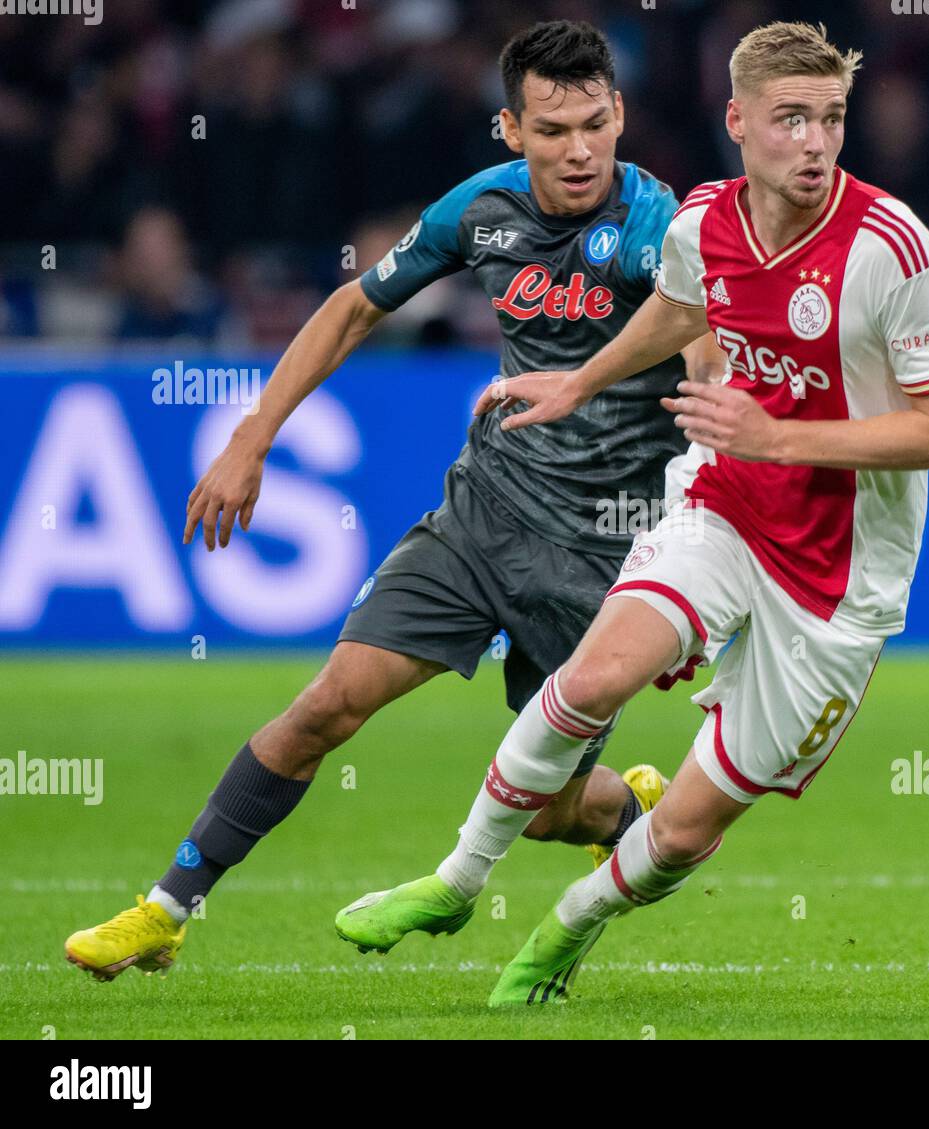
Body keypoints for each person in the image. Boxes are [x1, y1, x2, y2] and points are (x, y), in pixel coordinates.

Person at [64, 19, 721, 982]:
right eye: (550, 130)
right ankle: (166, 907)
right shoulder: (481, 209)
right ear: (510, 130)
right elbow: (353, 306)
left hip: (602, 563)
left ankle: (624, 809)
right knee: (326, 705)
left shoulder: (660, 228)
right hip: (483, 519)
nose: (577, 150)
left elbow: (704, 351)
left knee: (547, 811)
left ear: (619, 113)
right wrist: (252, 437)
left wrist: (697, 546)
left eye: (593, 124)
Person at [353, 19, 929, 1006]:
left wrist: (782, 438)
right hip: (726, 504)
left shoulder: (894, 252)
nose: (813, 143)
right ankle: (458, 878)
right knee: (592, 673)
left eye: (829, 120)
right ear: (738, 121)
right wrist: (575, 378)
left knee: (685, 828)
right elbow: (681, 308)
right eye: (790, 120)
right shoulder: (703, 222)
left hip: (841, 580)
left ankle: (566, 929)